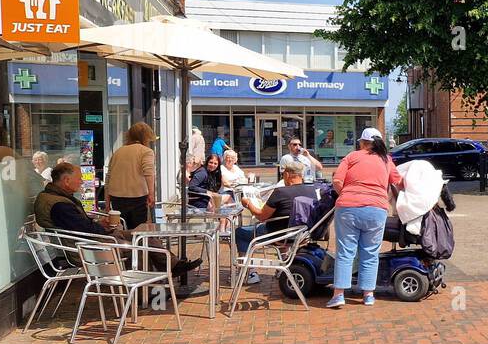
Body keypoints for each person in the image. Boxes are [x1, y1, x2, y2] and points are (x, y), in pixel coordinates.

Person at [35, 163, 199, 274]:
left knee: (143, 236)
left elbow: (79, 225)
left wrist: (101, 225)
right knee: (139, 246)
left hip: (90, 240)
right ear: (66, 181)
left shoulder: (57, 197)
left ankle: (173, 266)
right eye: (79, 179)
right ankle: (146, 292)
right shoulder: (59, 204)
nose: (81, 182)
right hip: (87, 248)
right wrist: (105, 229)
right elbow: (81, 229)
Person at [327, 128, 405, 308]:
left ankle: (339, 295)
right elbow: (399, 182)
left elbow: (337, 182)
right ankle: (368, 295)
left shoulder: (351, 157)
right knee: (370, 254)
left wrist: (345, 195)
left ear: (362, 142)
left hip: (348, 208)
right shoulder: (386, 160)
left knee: (345, 252)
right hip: (376, 210)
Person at [235, 167, 319, 284]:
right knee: (282, 227)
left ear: (287, 174)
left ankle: (249, 273)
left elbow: (261, 216)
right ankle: (283, 265)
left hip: (278, 235)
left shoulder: (280, 192)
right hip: (301, 234)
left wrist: (248, 203)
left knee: (241, 233)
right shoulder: (311, 191)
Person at [105, 122, 157, 230]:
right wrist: (151, 194)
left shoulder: (118, 152)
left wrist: (107, 202)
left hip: (116, 197)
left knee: (121, 229)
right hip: (137, 196)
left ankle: (124, 247)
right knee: (138, 231)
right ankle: (137, 247)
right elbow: (149, 173)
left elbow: (108, 177)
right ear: (146, 137)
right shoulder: (146, 151)